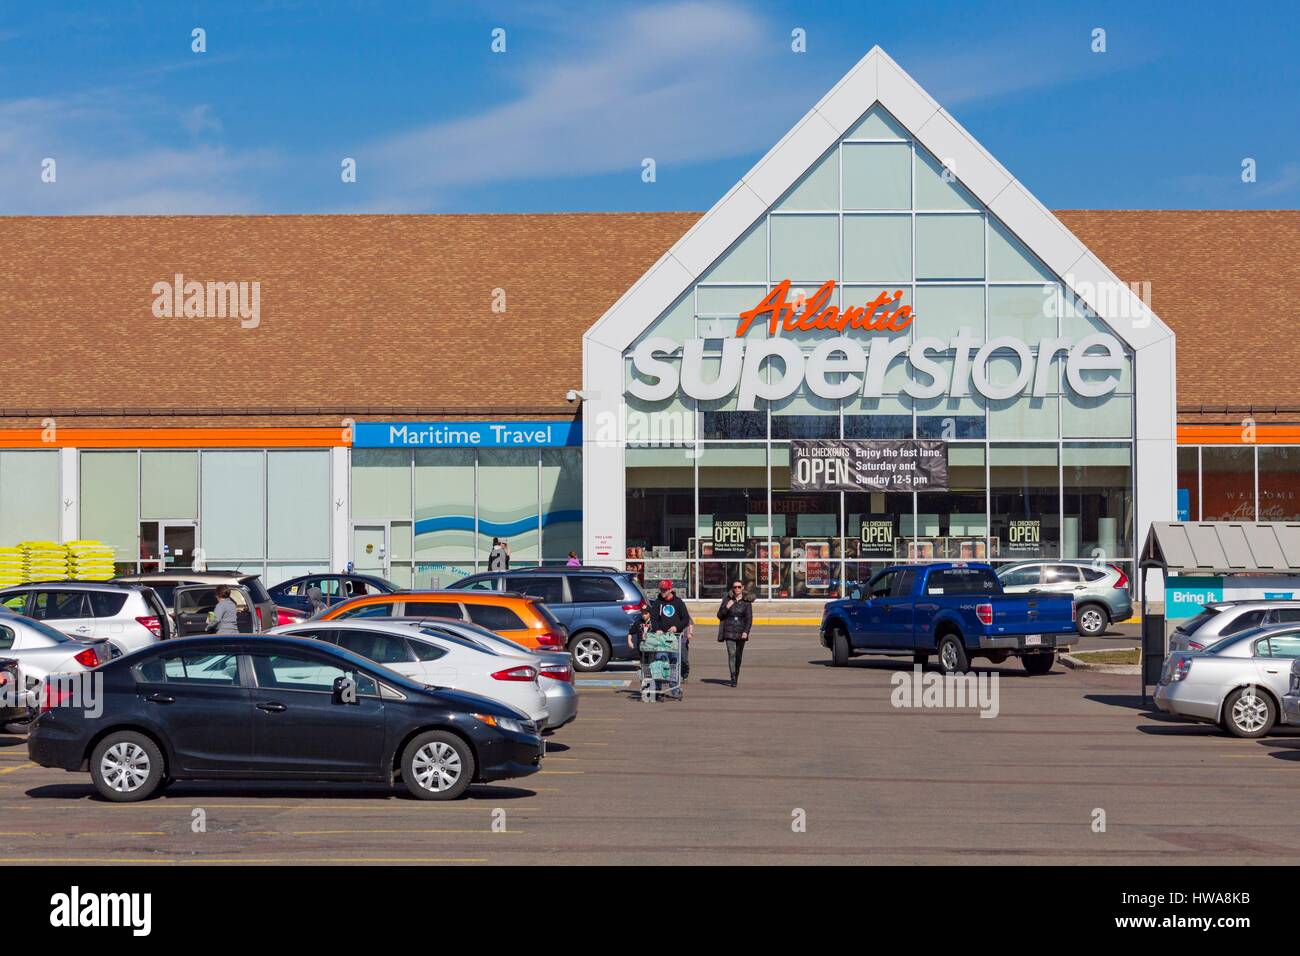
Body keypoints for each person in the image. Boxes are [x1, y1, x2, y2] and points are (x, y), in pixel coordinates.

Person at [650, 580, 691, 679]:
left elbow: (685, 619)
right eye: (661, 589)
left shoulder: (678, 602)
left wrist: (676, 627)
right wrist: (657, 629)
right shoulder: (657, 603)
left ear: (670, 589)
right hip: (662, 637)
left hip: (676, 636)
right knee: (662, 658)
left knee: (679, 659)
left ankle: (684, 673)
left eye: (665, 590)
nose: (663, 591)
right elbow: (653, 619)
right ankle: (669, 681)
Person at [716, 580, 752, 687]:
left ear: (742, 588)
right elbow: (719, 615)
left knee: (738, 656)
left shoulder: (747, 602)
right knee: (731, 654)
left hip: (741, 633)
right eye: (735, 587)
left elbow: (749, 619)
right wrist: (727, 607)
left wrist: (746, 631)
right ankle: (732, 677)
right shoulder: (727, 600)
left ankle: (736, 674)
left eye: (739, 587)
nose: (737, 589)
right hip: (729, 631)